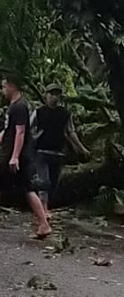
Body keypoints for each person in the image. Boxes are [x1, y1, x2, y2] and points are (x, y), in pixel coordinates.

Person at [0, 74, 52, 239]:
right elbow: (7, 132)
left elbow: (20, 132)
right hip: (14, 154)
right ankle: (43, 224)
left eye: (4, 86)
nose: (2, 90)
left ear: (12, 86)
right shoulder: (13, 107)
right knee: (27, 189)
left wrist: (14, 156)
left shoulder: (20, 107)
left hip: (13, 155)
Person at [32, 84, 91, 217]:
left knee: (53, 184)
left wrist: (81, 148)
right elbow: (28, 128)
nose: (54, 97)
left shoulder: (65, 114)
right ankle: (43, 210)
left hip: (57, 152)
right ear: (46, 95)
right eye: (51, 94)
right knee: (44, 182)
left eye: (57, 94)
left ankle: (44, 206)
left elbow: (70, 132)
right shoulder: (39, 112)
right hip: (41, 151)